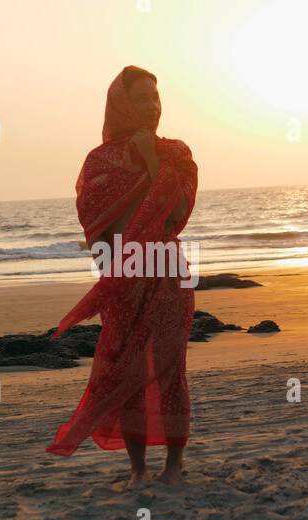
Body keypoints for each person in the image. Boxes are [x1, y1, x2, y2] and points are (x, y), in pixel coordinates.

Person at [45, 65, 199, 489]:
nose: (152, 106)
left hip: (167, 274)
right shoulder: (100, 162)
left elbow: (178, 216)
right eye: (141, 98)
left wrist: (152, 162)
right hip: (125, 278)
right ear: (121, 104)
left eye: (155, 96)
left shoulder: (177, 154)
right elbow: (95, 226)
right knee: (125, 370)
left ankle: (173, 465)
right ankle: (137, 469)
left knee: (170, 368)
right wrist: (112, 275)